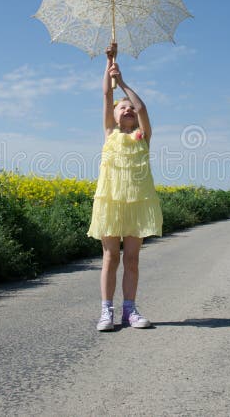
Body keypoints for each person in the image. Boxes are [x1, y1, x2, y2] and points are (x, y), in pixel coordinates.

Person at [87, 42, 162, 331]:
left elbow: (142, 107)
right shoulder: (110, 132)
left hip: (137, 203)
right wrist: (110, 63)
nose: (128, 109)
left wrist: (124, 83)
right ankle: (106, 311)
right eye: (123, 107)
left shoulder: (144, 136)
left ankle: (129, 310)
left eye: (129, 108)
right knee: (110, 257)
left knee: (132, 259)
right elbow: (107, 95)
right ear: (115, 115)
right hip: (111, 202)